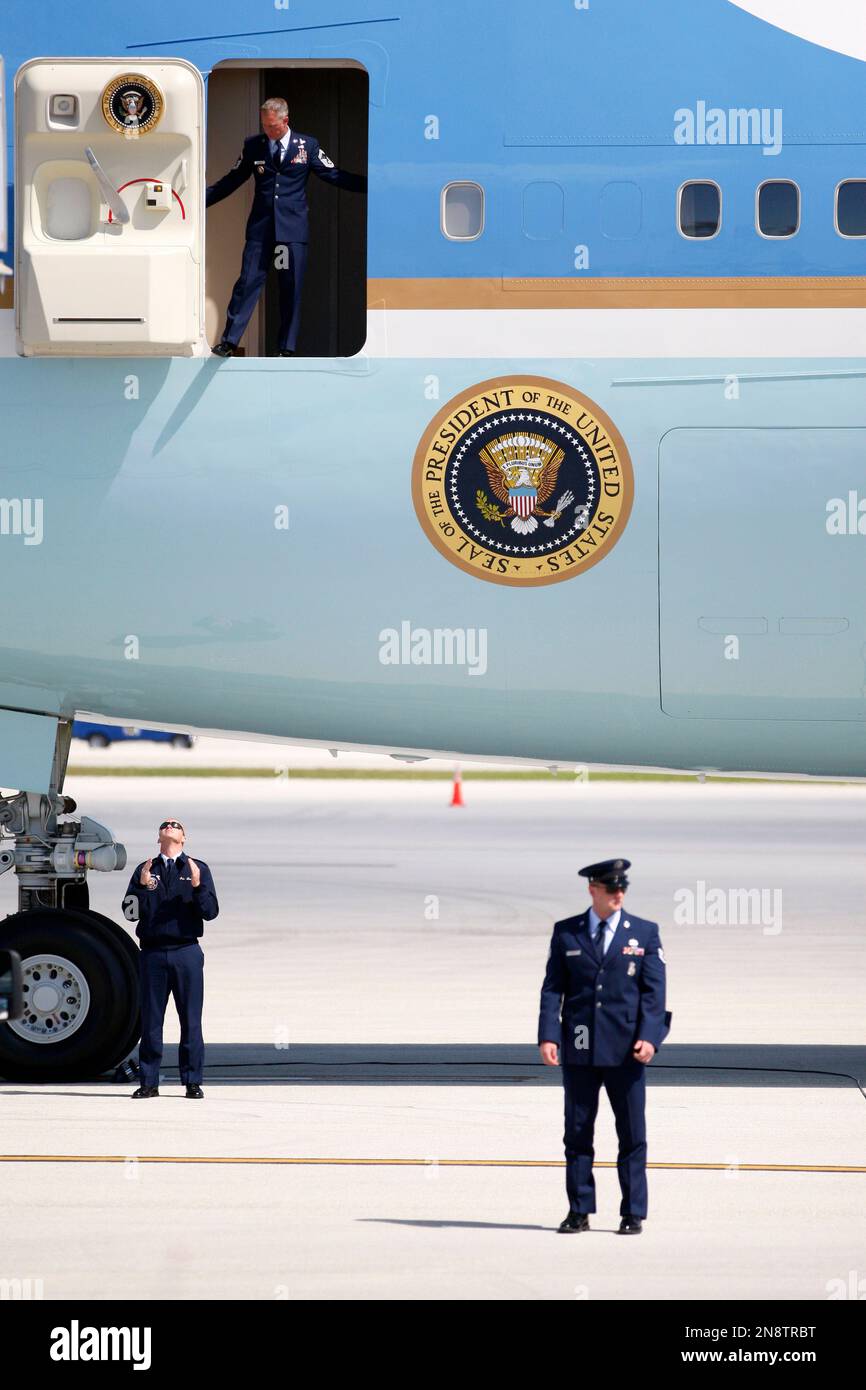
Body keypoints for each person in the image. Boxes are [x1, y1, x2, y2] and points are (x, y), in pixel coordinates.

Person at [537, 858, 671, 1234]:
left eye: (622, 888)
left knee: (632, 1134)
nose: (619, 895)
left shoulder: (644, 933)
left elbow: (653, 993)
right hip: (579, 1046)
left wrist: (651, 1037)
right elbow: (553, 989)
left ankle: (633, 1212)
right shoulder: (567, 933)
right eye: (611, 889)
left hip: (627, 1049)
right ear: (593, 890)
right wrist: (548, 1035)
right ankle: (579, 1210)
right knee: (577, 1132)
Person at [206, 96, 366, 357]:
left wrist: (371, 186)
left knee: (290, 288)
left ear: (285, 120)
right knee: (247, 283)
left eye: (273, 127)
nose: (268, 132)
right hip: (261, 229)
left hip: (292, 231)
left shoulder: (307, 146)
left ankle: (287, 347)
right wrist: (201, 201)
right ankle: (230, 341)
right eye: (265, 126)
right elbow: (233, 179)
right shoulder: (254, 145)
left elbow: (333, 174)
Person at [122, 818, 219, 1100]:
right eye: (165, 825)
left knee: (190, 1019)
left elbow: (210, 911)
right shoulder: (145, 869)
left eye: (176, 825)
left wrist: (199, 885)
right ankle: (149, 1082)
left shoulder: (197, 868)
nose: (170, 826)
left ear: (183, 838)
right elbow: (129, 913)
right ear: (158, 837)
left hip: (185, 952)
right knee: (151, 1020)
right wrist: (141, 888)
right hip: (152, 953)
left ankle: (192, 1081)